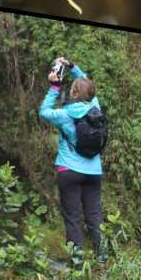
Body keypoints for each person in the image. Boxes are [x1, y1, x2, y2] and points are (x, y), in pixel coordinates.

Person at [38, 57, 105, 265]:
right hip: (94, 171)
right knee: (94, 216)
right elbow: (85, 80)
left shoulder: (65, 114)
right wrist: (73, 67)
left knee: (73, 217)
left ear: (73, 93)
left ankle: (77, 263)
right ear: (91, 94)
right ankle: (102, 259)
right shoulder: (96, 109)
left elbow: (43, 111)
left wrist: (55, 86)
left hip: (69, 170)